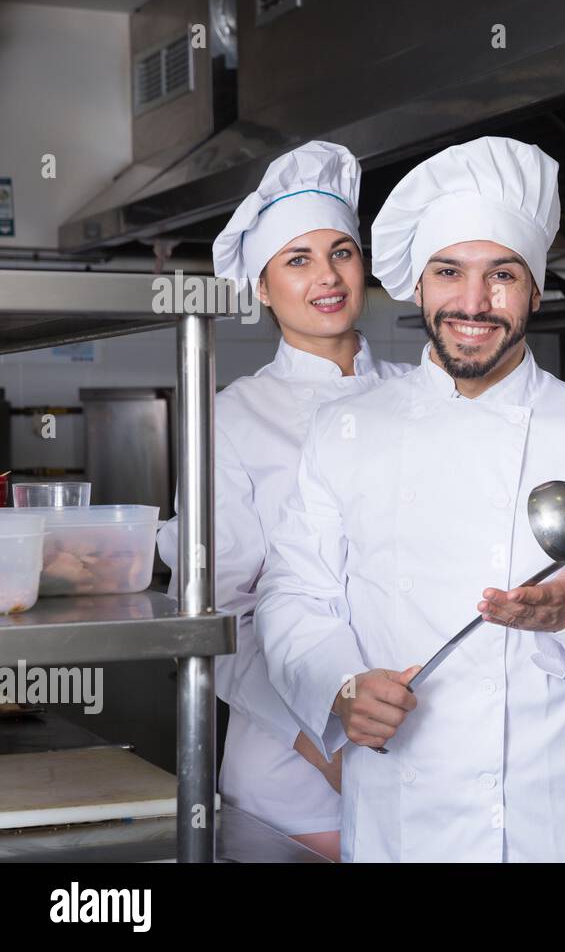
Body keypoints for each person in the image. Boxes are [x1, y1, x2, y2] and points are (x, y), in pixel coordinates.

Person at [255, 136, 565, 862]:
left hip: (553, 835)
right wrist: (340, 684)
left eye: (502, 275)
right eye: (449, 272)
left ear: (536, 289)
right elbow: (294, 596)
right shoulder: (347, 430)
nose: (475, 303)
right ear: (417, 286)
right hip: (395, 828)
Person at [156, 141, 411, 862]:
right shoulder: (232, 421)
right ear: (263, 288)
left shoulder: (422, 398)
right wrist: (331, 739)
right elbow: (220, 621)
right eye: (297, 260)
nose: (327, 277)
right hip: (291, 777)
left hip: (422, 748)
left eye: (341, 253)